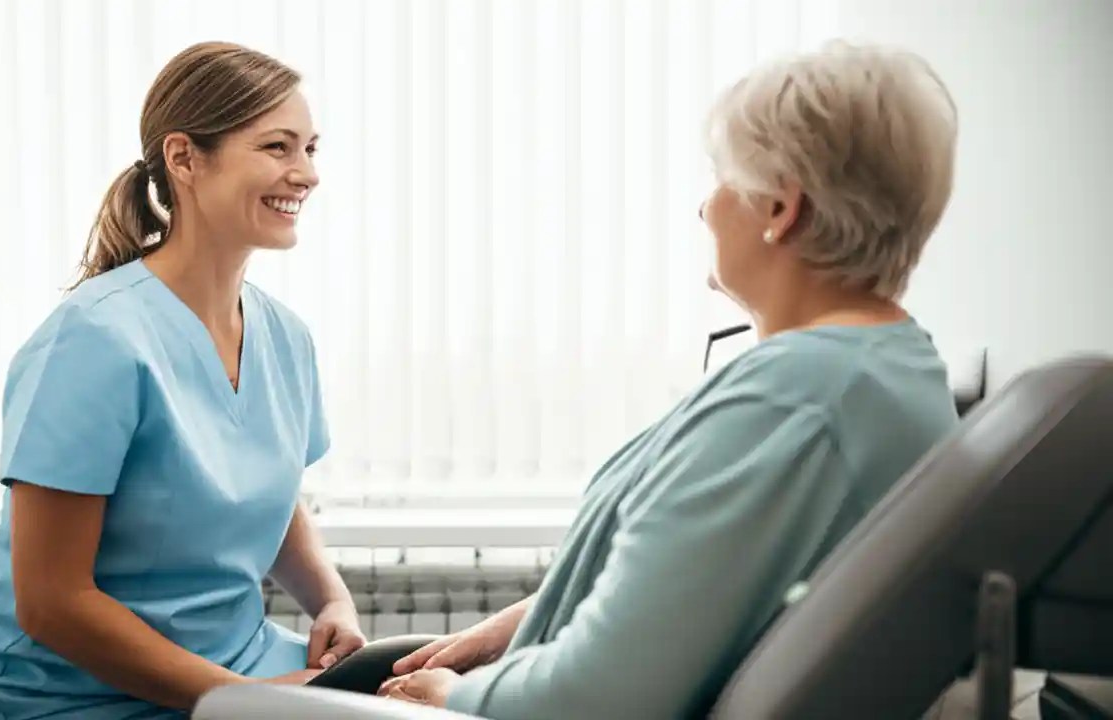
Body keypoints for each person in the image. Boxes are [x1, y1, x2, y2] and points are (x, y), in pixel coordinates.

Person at [379, 41, 961, 719]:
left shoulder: (795, 399)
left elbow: (595, 700)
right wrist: (506, 632)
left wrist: (453, 698)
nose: (705, 207)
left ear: (780, 208)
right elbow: (708, 584)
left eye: (720, 177)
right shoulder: (884, 367)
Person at [0, 42, 365, 718]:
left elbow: (271, 490)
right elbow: (51, 601)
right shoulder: (94, 340)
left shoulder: (285, 337)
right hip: (82, 699)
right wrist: (243, 701)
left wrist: (332, 600)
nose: (306, 174)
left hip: (240, 668)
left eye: (311, 149)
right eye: (277, 147)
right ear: (183, 159)